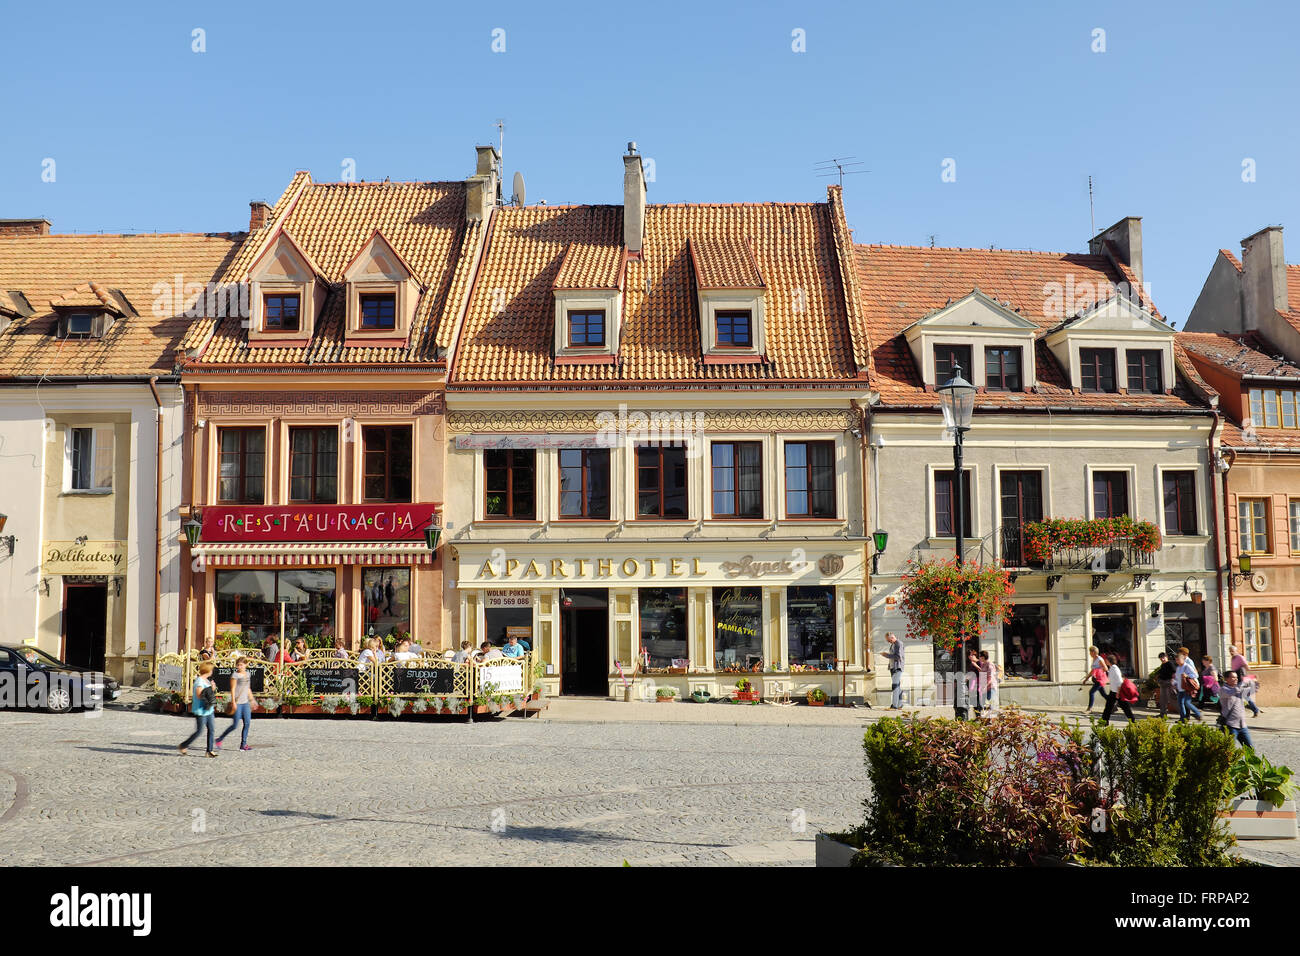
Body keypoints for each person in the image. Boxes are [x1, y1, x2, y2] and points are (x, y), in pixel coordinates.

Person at [179, 662, 218, 757]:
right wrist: (211, 689)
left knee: (211, 729)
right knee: (199, 731)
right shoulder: (199, 681)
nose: (212, 671)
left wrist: (212, 689)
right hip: (201, 710)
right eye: (211, 669)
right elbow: (199, 695)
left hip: (209, 709)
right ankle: (183, 745)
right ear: (208, 670)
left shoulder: (206, 681)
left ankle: (209, 750)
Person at [216, 656, 255, 751]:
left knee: (247, 723)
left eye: (241, 665)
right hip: (238, 702)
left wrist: (252, 699)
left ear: (246, 665)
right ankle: (220, 738)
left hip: (245, 702)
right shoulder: (235, 675)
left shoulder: (248, 674)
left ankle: (243, 744)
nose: (239, 667)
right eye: (238, 665)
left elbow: (248, 688)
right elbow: (232, 689)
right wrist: (233, 702)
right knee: (235, 724)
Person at [1217, 671, 1254, 749]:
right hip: (1231, 725)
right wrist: (1243, 683)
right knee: (1229, 750)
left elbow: (1249, 693)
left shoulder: (1238, 688)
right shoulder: (1223, 690)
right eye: (1233, 677)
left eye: (1236, 677)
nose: (1236, 679)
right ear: (1226, 679)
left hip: (1242, 725)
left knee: (1250, 749)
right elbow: (1232, 692)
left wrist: (1251, 682)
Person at [1100, 653, 1136, 725]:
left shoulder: (1115, 668)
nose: (1105, 661)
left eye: (1106, 660)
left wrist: (1118, 693)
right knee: (1108, 707)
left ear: (1109, 660)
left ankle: (1133, 722)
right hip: (1113, 691)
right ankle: (1104, 721)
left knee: (1125, 708)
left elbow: (1119, 682)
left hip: (1117, 692)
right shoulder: (1112, 668)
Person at [1174, 647, 1204, 723]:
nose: (1177, 661)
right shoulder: (1178, 668)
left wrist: (1187, 675)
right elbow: (1177, 678)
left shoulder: (1188, 664)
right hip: (1181, 687)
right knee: (1181, 703)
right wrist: (1174, 683)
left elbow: (1195, 674)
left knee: (1186, 702)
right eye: (1176, 660)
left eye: (1178, 659)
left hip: (1187, 687)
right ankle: (1183, 718)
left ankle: (1196, 713)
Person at [881, 632, 905, 709]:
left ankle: (894, 705)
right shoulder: (893, 644)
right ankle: (900, 704)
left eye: (888, 640)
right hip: (893, 667)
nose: (888, 642)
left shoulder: (898, 643)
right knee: (897, 686)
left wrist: (886, 655)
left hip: (897, 667)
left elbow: (898, 656)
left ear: (892, 638)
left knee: (895, 686)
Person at [1082, 646, 1107, 714]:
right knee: (1103, 694)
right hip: (1097, 680)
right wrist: (1086, 679)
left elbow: (1106, 668)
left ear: (1093, 652)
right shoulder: (1094, 659)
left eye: (1090, 652)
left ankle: (1089, 709)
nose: (1089, 653)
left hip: (1100, 679)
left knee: (1091, 692)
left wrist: (1098, 671)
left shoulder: (1099, 659)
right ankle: (1113, 705)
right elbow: (1092, 671)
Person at [1156, 651, 1177, 717]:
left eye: (1163, 657)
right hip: (1163, 683)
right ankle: (1163, 714)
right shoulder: (1163, 665)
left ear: (1166, 657)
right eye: (1161, 658)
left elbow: (1175, 672)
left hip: (1169, 683)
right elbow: (1161, 673)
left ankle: (1183, 713)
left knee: (1172, 699)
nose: (1162, 659)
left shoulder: (1170, 663)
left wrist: (1172, 681)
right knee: (1163, 699)